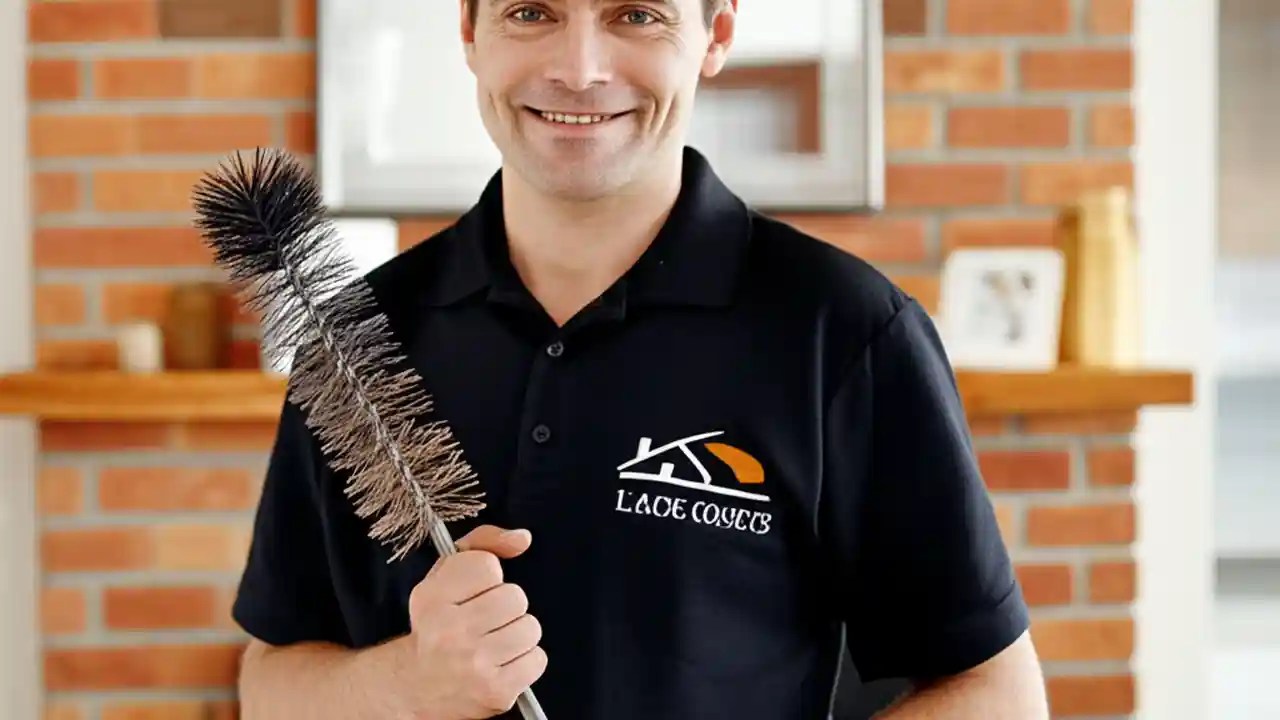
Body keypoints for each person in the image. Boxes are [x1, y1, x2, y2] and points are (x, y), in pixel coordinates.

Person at [230, 0, 1050, 718]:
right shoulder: (358, 341)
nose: (579, 70)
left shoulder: (844, 330)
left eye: (636, 14)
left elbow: (996, 694)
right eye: (531, 12)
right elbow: (269, 683)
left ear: (715, 32)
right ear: (469, 30)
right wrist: (407, 686)